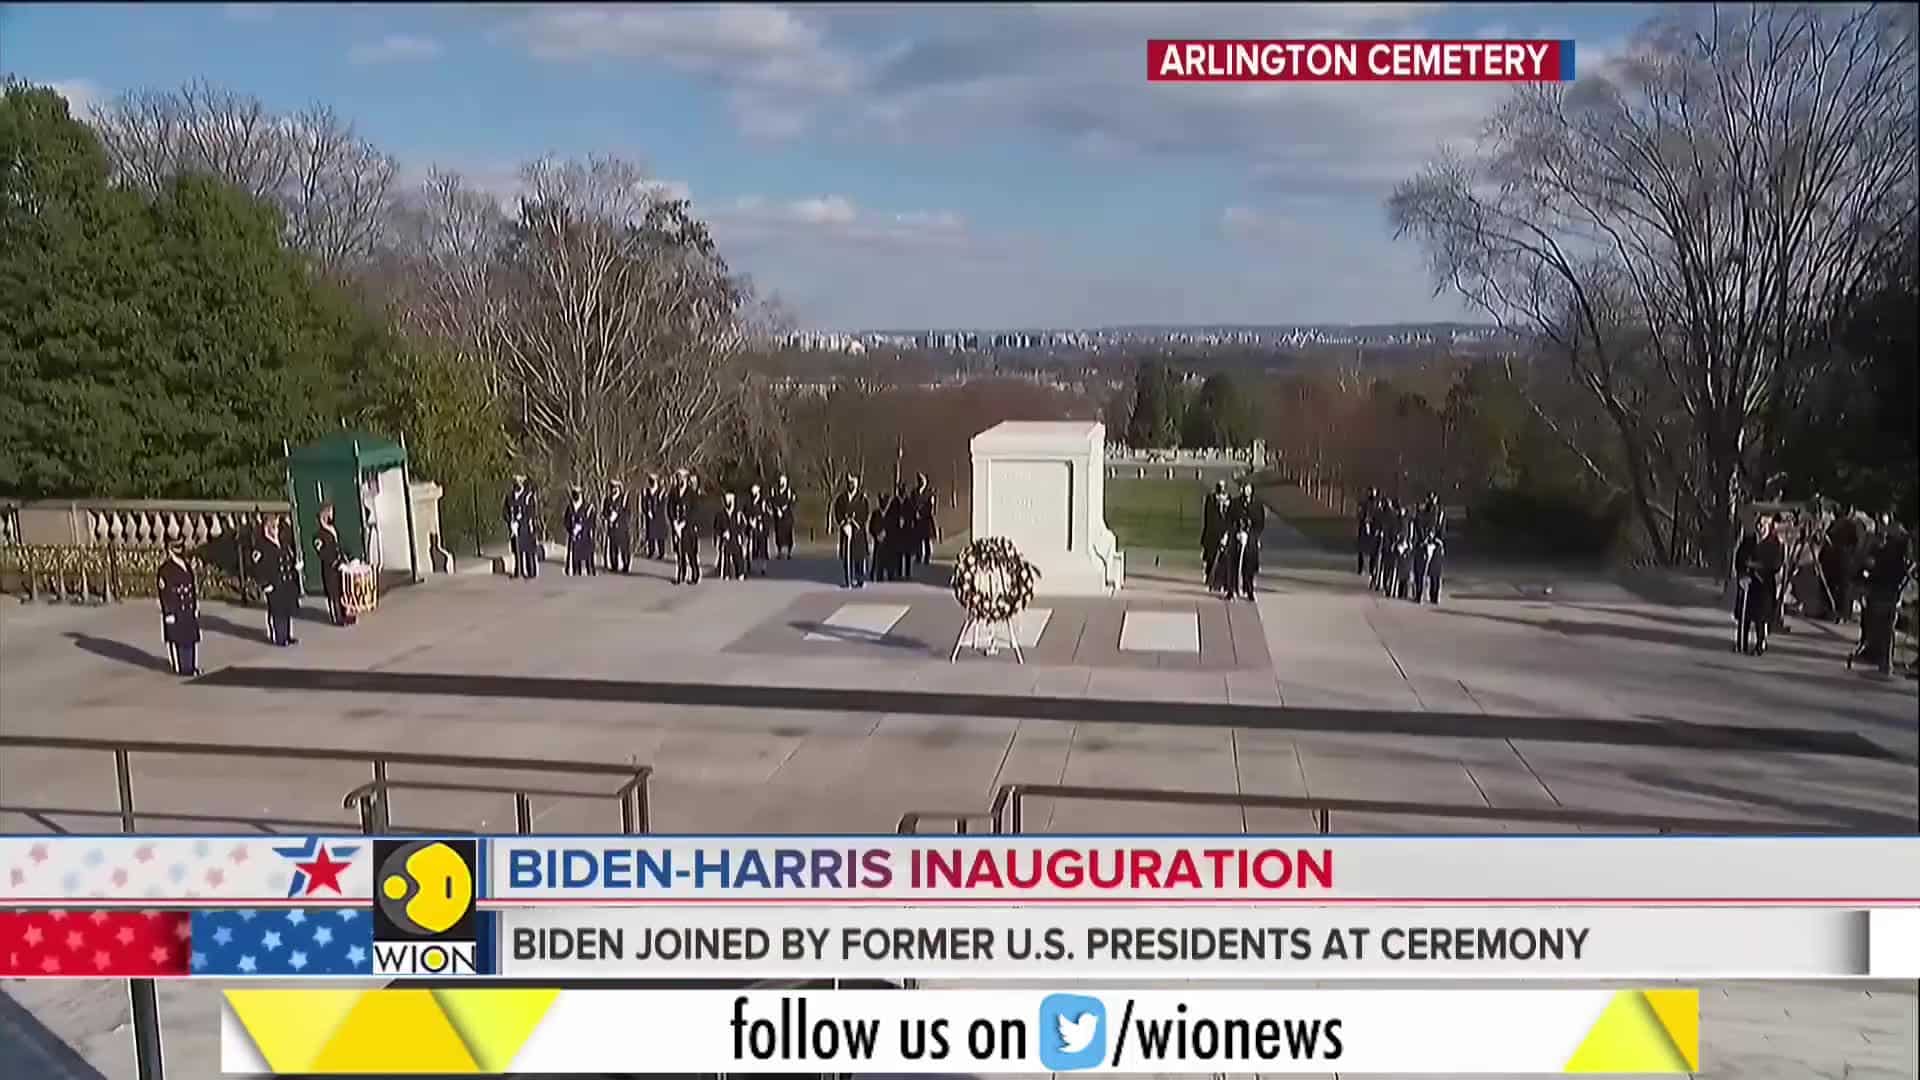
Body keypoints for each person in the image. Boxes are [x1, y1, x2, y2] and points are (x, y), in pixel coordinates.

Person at [1854, 523, 1911, 675]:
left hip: (1883, 592)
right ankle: (1885, 662)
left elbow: (1874, 569)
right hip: (1891, 592)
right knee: (1886, 628)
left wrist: (1866, 581)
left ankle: (1883, 662)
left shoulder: (1887, 553)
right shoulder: (1901, 555)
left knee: (1881, 626)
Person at [1734, 516, 1785, 656]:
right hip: (1748, 583)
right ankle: (1741, 643)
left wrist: (1758, 566)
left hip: (1765, 584)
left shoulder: (1775, 543)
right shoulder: (1749, 541)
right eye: (1759, 524)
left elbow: (1776, 564)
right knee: (1745, 615)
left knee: (1761, 617)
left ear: (1769, 526)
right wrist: (1743, 574)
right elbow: (1740, 559)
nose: (1761, 527)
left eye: (1764, 525)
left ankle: (1760, 643)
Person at [250, 516, 301, 647]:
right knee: (276, 610)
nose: (276, 529)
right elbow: (257, 568)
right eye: (273, 526)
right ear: (266, 527)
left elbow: (288, 557)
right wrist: (264, 584)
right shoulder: (261, 545)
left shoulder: (282, 542)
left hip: (286, 582)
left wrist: (295, 566)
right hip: (273, 583)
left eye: (277, 526)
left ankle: (286, 635)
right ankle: (278, 636)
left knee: (286, 609)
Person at [156, 538, 202, 677]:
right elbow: (165, 593)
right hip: (175, 609)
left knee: (190, 638)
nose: (180, 550)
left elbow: (192, 588)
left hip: (187, 607)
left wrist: (195, 605)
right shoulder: (165, 569)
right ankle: (181, 667)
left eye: (181, 547)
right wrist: (168, 613)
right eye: (176, 547)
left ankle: (191, 666)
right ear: (170, 550)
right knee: (178, 639)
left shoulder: (186, 566)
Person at [314, 503, 353, 626]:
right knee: (333, 593)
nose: (332, 515)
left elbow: (342, 546)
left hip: (341, 566)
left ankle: (345, 614)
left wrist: (351, 558)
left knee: (342, 590)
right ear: (323, 516)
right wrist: (337, 563)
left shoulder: (334, 530)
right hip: (330, 569)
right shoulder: (319, 536)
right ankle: (337, 617)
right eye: (329, 513)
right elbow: (324, 554)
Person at [830, 474, 871, 589]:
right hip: (846, 532)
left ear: (857, 484)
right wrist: (843, 524)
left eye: (854, 483)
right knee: (847, 556)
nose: (851, 485)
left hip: (858, 533)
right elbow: (837, 512)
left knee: (859, 557)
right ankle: (848, 579)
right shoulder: (841, 498)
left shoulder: (862, 498)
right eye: (850, 483)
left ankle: (860, 579)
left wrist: (855, 523)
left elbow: (865, 513)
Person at [1228, 481, 1266, 601]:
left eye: (1248, 489)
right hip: (1236, 538)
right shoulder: (1235, 503)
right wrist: (1236, 532)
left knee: (1249, 567)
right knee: (1234, 565)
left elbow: (1260, 524)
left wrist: (1252, 535)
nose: (1246, 491)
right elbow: (1229, 520)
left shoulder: (1257, 505)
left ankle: (1249, 589)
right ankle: (1232, 589)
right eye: (1244, 489)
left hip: (1250, 539)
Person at [668, 471, 701, 585]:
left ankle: (695, 575)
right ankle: (681, 574)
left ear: (687, 479)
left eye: (683, 478)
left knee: (691, 553)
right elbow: (670, 508)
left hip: (688, 528)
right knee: (679, 553)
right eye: (679, 478)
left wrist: (685, 523)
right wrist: (674, 522)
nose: (681, 480)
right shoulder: (673, 492)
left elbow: (695, 511)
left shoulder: (692, 494)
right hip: (676, 527)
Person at [1413, 493, 1447, 605]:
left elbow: (1440, 529)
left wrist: (1432, 539)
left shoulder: (1437, 513)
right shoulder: (1429, 513)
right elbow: (1419, 526)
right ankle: (1427, 595)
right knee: (1428, 572)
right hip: (1429, 544)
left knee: (1429, 572)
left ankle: (1426, 595)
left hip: (1431, 544)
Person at [1201, 480, 1231, 586]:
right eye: (1220, 487)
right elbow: (1208, 516)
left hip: (1224, 533)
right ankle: (1209, 578)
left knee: (1224, 559)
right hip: (1212, 533)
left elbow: (1230, 517)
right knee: (1210, 558)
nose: (1221, 489)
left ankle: (1222, 580)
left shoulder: (1228, 499)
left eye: (1223, 487)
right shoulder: (1211, 499)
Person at [713, 491, 748, 580]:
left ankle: (740, 573)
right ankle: (726, 574)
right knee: (726, 557)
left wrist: (739, 534)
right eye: (726, 500)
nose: (728, 501)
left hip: (736, 538)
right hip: (725, 540)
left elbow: (743, 525)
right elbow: (716, 529)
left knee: (738, 557)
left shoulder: (738, 514)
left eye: (730, 499)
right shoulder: (720, 515)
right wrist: (722, 533)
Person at [563, 485, 596, 576]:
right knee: (574, 556)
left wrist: (583, 528)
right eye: (574, 494)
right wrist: (571, 529)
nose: (575, 496)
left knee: (588, 556)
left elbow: (591, 522)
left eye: (577, 494)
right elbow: (566, 521)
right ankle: (574, 571)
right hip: (573, 536)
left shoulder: (588, 507)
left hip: (585, 536)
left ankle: (590, 572)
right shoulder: (570, 507)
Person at [887, 480, 917, 581]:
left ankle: (907, 573)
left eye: (903, 489)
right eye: (900, 489)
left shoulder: (908, 502)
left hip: (907, 531)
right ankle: (899, 573)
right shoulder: (894, 501)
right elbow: (889, 516)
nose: (901, 491)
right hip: (897, 532)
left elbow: (912, 515)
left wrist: (906, 520)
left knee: (907, 554)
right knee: (898, 554)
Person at [503, 476, 532, 579]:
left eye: (520, 482)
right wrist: (510, 521)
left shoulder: (527, 495)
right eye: (516, 482)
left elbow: (530, 511)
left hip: (524, 526)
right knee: (516, 550)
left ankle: (530, 571)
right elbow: (505, 511)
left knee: (526, 549)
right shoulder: (510, 496)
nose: (517, 484)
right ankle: (518, 570)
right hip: (513, 526)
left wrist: (522, 518)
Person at [603, 479, 633, 574]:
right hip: (612, 527)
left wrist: (619, 516)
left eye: (615, 487)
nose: (613, 489)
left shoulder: (624, 499)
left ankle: (626, 565)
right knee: (612, 547)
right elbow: (604, 512)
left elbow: (628, 513)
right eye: (612, 487)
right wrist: (608, 517)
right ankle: (614, 565)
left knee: (624, 548)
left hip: (622, 527)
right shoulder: (607, 499)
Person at [910, 473, 937, 577]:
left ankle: (927, 557)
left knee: (926, 539)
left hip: (926, 519)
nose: (921, 482)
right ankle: (918, 556)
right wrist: (915, 513)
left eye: (923, 480)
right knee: (918, 539)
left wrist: (923, 512)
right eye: (920, 480)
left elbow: (931, 506)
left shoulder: (929, 493)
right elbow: (912, 504)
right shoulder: (914, 492)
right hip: (917, 519)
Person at [640, 474, 668, 561]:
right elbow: (644, 503)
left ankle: (661, 553)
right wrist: (647, 511)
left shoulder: (661, 492)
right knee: (650, 535)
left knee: (660, 536)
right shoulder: (646, 491)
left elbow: (663, 504)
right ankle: (651, 551)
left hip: (659, 516)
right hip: (650, 516)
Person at [746, 483, 772, 576]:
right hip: (751, 528)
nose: (753, 492)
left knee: (763, 547)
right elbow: (746, 512)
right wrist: (750, 521)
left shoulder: (763, 502)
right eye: (752, 490)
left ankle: (763, 567)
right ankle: (749, 564)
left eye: (755, 490)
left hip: (762, 528)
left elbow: (768, 514)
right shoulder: (749, 502)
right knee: (750, 546)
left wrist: (761, 522)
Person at [769, 475, 797, 560]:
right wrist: (777, 509)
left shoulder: (789, 491)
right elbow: (772, 500)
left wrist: (783, 509)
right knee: (778, 533)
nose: (782, 483)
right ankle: (779, 551)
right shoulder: (775, 490)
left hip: (787, 516)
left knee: (788, 533)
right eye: (780, 481)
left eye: (783, 481)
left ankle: (789, 552)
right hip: (778, 516)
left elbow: (792, 501)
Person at [1356, 487, 1380, 576]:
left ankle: (1372, 569)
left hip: (1373, 529)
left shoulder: (1377, 504)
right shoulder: (1364, 504)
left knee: (1373, 551)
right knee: (1361, 550)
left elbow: (1378, 516)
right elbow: (1360, 514)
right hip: (1364, 529)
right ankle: (1361, 568)